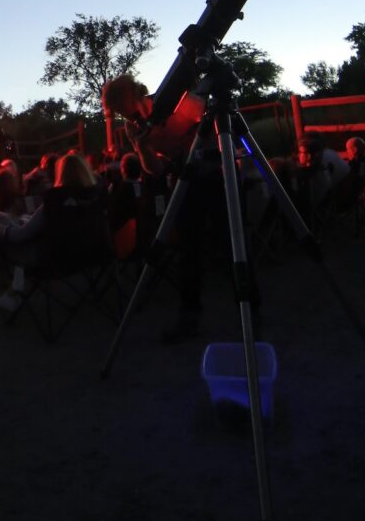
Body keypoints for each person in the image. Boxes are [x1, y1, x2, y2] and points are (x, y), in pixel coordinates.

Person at [102, 71, 257, 340]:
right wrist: (142, 147)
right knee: (189, 251)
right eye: (114, 110)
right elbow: (156, 168)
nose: (119, 114)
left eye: (119, 106)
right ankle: (189, 317)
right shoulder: (133, 126)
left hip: (214, 171)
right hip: (184, 179)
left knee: (232, 242)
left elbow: (200, 124)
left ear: (130, 96)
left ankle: (252, 312)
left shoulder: (166, 102)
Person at [0, 152, 101, 313]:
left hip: (51, 258)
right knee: (16, 221)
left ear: (61, 174)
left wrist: (2, 229)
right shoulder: (95, 198)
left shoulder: (54, 203)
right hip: (86, 253)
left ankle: (12, 293)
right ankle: (13, 294)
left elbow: (20, 236)